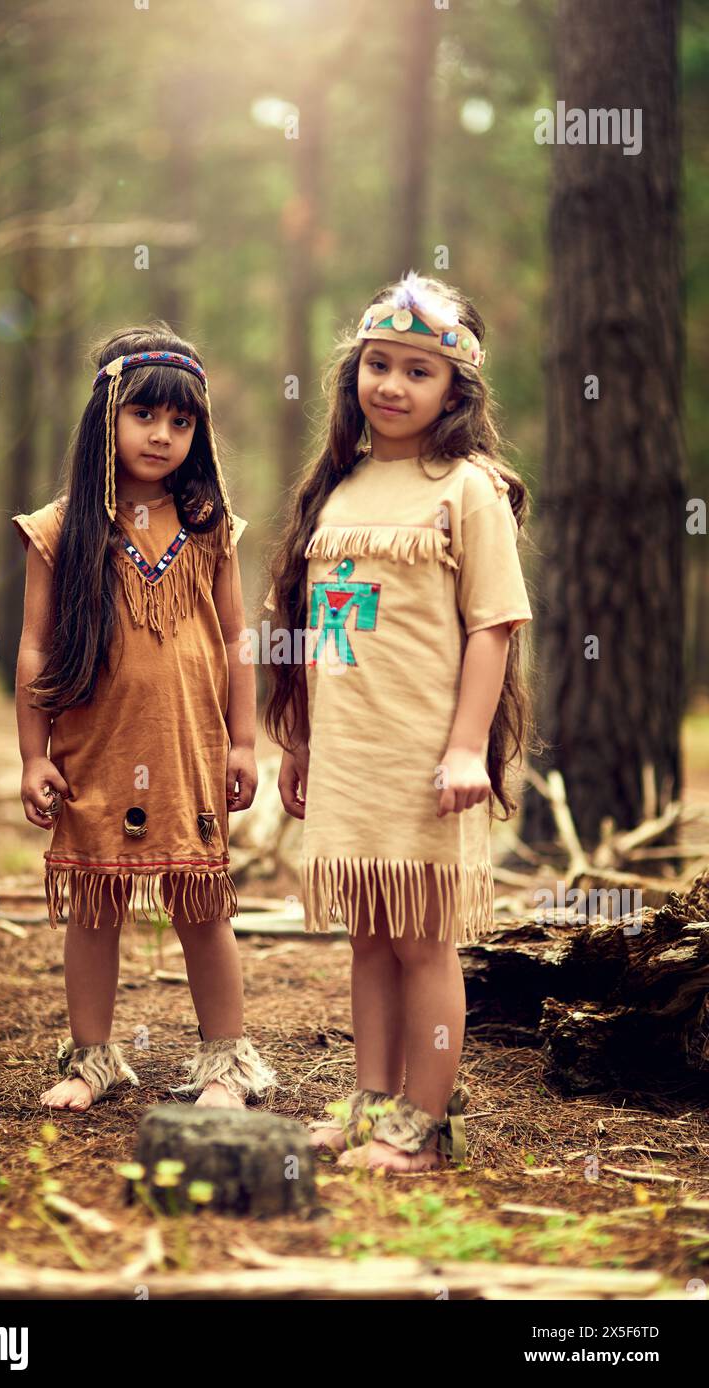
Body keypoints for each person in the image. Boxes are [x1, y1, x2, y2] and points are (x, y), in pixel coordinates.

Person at [263, 272, 538, 1172]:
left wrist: (467, 749)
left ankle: (424, 1123)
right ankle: (372, 1102)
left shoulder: (467, 488)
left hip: (426, 758)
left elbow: (494, 626)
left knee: (422, 938)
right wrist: (301, 740)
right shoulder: (336, 490)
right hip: (350, 754)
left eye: (418, 371)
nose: (392, 384)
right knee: (370, 935)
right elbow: (323, 635)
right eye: (377, 364)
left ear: (455, 390)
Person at [12, 324, 276, 1113]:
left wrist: (245, 740)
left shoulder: (208, 528)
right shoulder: (60, 529)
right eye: (144, 416)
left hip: (190, 748)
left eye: (182, 422)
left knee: (202, 906)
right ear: (107, 419)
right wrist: (33, 756)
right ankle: (91, 1060)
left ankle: (225, 1064)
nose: (163, 435)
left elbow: (235, 638)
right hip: (94, 747)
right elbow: (31, 646)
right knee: (95, 907)